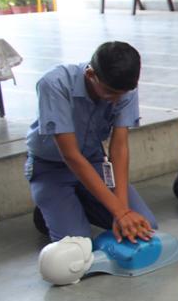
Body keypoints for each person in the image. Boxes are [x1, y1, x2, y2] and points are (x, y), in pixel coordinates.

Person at [26, 41, 157, 243]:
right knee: (77, 245)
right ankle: (49, 211)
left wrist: (122, 209)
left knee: (145, 227)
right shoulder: (54, 84)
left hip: (93, 161)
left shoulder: (124, 87)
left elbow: (119, 147)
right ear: (90, 75)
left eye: (121, 94)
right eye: (110, 93)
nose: (116, 100)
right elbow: (70, 155)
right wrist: (120, 213)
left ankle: (81, 203)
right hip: (52, 168)